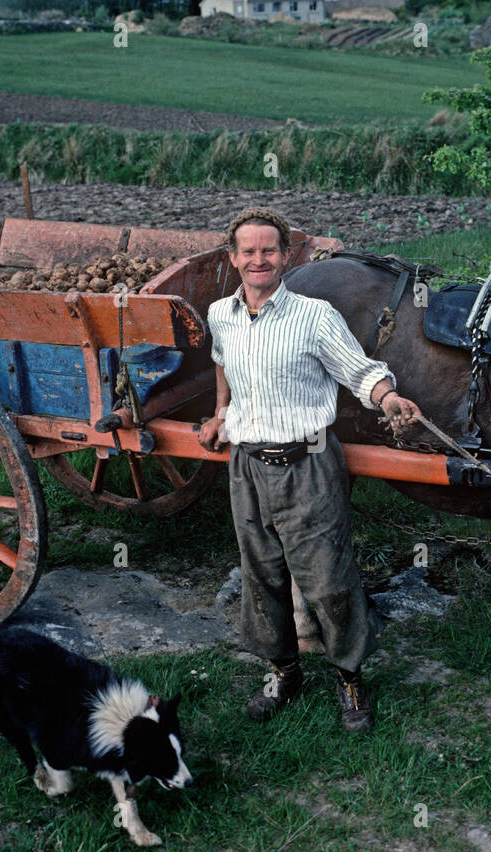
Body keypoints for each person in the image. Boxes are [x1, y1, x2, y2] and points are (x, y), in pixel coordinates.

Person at [197, 206, 422, 733]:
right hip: (248, 466)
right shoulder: (220, 314)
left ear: (286, 256)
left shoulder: (313, 316)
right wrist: (221, 413)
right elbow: (223, 362)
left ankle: (349, 678)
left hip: (309, 464)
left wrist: (389, 399)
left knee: (329, 579)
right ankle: (283, 671)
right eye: (248, 251)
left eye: (269, 250)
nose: (259, 260)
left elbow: (359, 370)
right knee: (263, 574)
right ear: (233, 258)